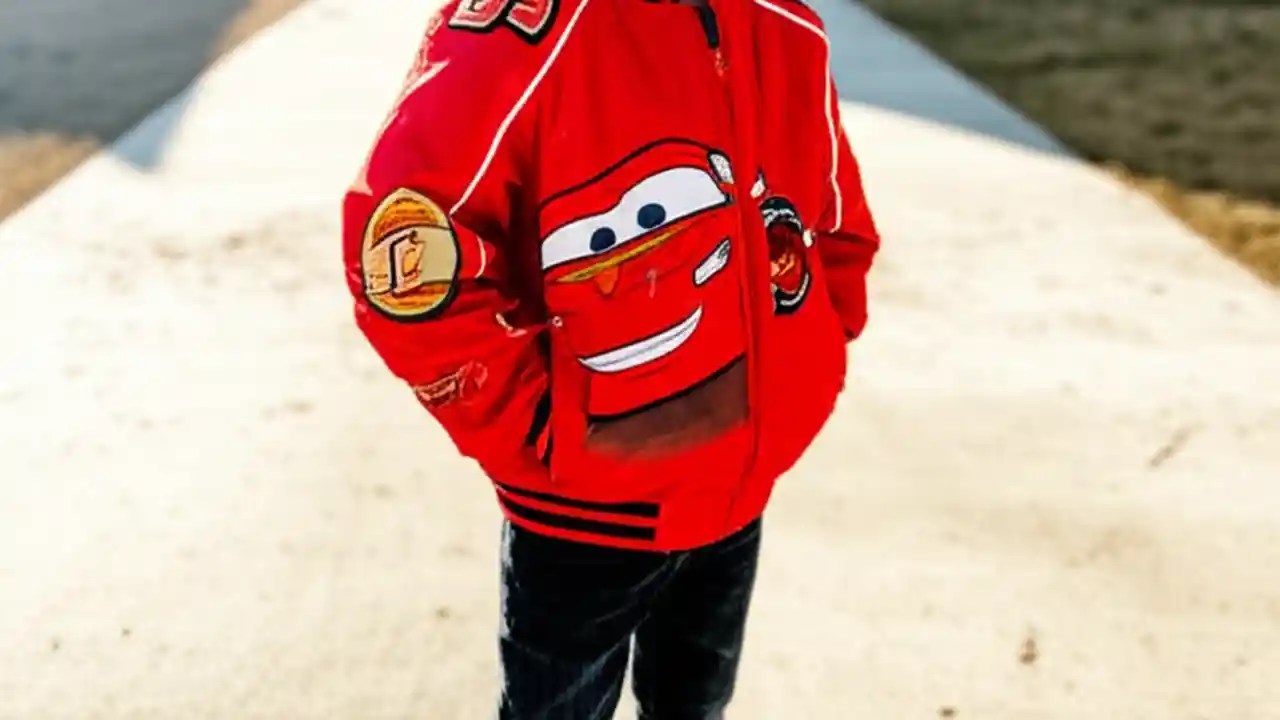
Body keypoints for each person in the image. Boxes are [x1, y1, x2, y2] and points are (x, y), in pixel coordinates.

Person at [342, 0, 880, 716]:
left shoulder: (782, 24)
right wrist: (537, 428)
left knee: (696, 706)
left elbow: (832, 216)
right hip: (583, 520)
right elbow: (404, 267)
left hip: (737, 491)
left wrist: (809, 355)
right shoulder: (521, 32)